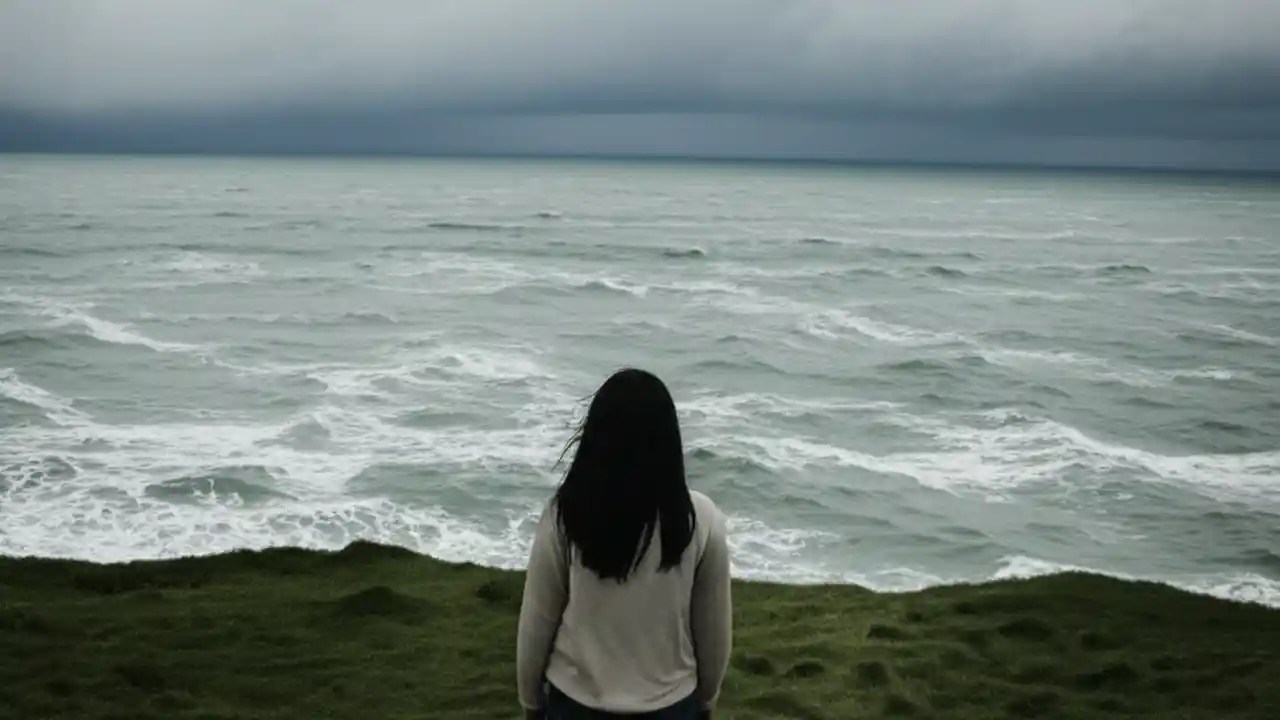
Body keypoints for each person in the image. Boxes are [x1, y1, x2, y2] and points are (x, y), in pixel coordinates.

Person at [517, 369, 733, 720]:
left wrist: (530, 700)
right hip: (670, 707)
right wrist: (707, 699)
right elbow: (714, 632)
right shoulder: (701, 518)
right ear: (669, 440)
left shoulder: (565, 513)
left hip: (575, 704)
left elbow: (538, 619)